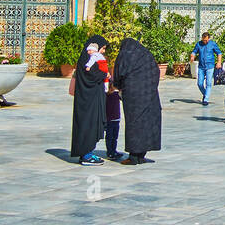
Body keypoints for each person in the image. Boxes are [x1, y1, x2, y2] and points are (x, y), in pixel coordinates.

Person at [112, 37, 163, 164]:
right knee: (146, 124)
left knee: (134, 124)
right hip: (149, 94)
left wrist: (118, 86)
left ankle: (134, 157)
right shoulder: (146, 54)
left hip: (133, 95)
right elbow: (155, 72)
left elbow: (119, 72)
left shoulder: (125, 54)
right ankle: (141, 155)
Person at [70, 34, 109, 166]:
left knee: (92, 124)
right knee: (88, 124)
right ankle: (85, 155)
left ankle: (88, 152)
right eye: (102, 48)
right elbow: (91, 75)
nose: (103, 51)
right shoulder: (86, 59)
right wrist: (105, 74)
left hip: (92, 98)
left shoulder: (91, 58)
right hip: (87, 101)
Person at [190, 32, 221, 106]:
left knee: (208, 83)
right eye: (204, 40)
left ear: (209, 38)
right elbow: (194, 51)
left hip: (210, 66)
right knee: (199, 83)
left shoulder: (212, 44)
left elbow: (219, 53)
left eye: (206, 40)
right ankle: (205, 94)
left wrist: (219, 62)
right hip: (201, 66)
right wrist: (192, 56)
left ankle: (206, 99)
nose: (205, 42)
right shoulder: (199, 44)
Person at [104, 83, 125, 163]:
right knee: (111, 137)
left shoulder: (115, 94)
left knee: (113, 137)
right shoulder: (109, 95)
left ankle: (113, 151)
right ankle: (110, 152)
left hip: (115, 119)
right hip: (111, 119)